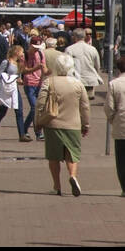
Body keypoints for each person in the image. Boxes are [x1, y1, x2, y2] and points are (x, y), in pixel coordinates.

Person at [36, 51, 90, 196]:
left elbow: (40, 103)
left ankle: (57, 186)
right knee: (72, 154)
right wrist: (86, 125)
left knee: (53, 156)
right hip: (73, 124)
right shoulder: (78, 84)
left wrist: (38, 121)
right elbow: (85, 106)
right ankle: (72, 176)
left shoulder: (49, 82)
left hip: (52, 124)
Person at [0, 45, 28, 142]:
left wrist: (19, 79)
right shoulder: (6, 62)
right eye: (21, 52)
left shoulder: (19, 63)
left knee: (19, 111)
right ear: (16, 52)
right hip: (6, 89)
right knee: (2, 112)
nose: (23, 54)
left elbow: (18, 76)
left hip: (14, 89)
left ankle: (22, 135)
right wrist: (8, 77)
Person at [103, 53, 125, 196]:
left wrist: (112, 119)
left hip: (121, 126)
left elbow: (109, 107)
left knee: (122, 159)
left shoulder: (114, 84)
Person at [20, 35, 47, 140]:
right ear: (30, 45)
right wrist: (36, 68)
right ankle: (26, 129)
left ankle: (36, 132)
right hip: (29, 83)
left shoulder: (40, 53)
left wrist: (48, 72)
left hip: (39, 83)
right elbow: (23, 70)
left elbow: (44, 68)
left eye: (38, 47)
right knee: (34, 108)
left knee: (39, 109)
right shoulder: (24, 55)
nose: (36, 49)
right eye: (35, 46)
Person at [66, 29, 103, 100]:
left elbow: (67, 66)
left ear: (74, 37)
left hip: (75, 80)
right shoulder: (92, 49)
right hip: (89, 79)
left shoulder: (69, 49)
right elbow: (97, 65)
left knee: (77, 102)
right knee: (87, 103)